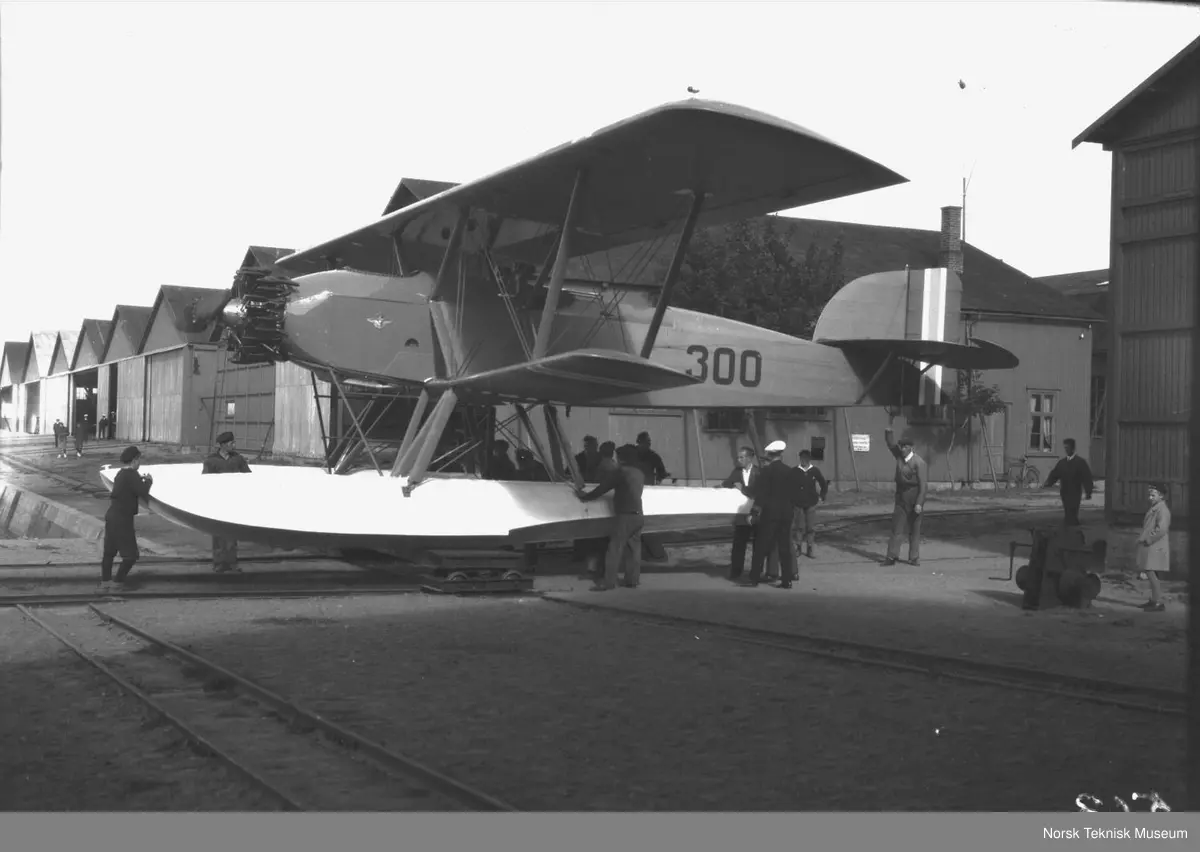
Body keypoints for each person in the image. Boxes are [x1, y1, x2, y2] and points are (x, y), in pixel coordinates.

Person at [576, 444, 645, 591]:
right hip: (639, 515)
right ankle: (632, 580)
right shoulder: (639, 473)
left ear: (621, 458)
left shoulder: (621, 472)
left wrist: (585, 496)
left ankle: (608, 582)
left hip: (625, 515)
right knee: (634, 549)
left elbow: (603, 488)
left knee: (614, 549)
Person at [742, 440, 800, 589]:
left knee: (761, 545)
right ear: (780, 454)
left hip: (770, 514)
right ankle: (786, 580)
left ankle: (754, 578)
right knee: (784, 547)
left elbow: (760, 495)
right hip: (786, 514)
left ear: (769, 455)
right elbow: (794, 494)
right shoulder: (790, 471)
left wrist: (754, 513)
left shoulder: (766, 472)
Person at [100, 445, 153, 592]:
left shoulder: (120, 474)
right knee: (131, 555)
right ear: (135, 460)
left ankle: (105, 582)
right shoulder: (131, 475)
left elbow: (130, 488)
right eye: (139, 460)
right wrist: (148, 481)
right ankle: (118, 582)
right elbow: (143, 492)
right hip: (123, 519)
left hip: (112, 516)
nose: (139, 463)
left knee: (109, 553)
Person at [202, 431, 252, 573]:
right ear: (223, 445)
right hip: (217, 503)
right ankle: (219, 563)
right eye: (231, 443)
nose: (234, 445)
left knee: (232, 533)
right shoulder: (211, 461)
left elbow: (248, 476)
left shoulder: (238, 459)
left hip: (233, 502)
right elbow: (205, 481)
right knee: (217, 533)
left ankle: (231, 562)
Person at [881, 428, 928, 566]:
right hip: (901, 497)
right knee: (897, 528)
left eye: (905, 446)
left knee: (914, 530)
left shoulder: (919, 463)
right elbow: (890, 444)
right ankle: (891, 557)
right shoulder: (899, 456)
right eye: (901, 446)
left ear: (911, 448)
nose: (902, 449)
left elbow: (923, 485)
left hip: (914, 496)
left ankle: (914, 558)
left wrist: (919, 503)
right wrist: (889, 429)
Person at [718, 446, 759, 581]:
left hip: (756, 514)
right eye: (738, 457)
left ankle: (755, 573)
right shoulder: (736, 471)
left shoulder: (759, 473)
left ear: (749, 458)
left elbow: (757, 492)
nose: (739, 459)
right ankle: (736, 571)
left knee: (758, 545)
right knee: (738, 544)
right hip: (741, 514)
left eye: (742, 457)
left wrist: (743, 489)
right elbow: (727, 483)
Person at [1136, 482, 1171, 613]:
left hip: (1155, 546)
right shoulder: (1156, 508)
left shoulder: (1162, 510)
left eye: (1153, 495)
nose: (1150, 498)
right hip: (1152, 546)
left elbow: (1161, 529)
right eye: (1149, 495)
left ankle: (1158, 602)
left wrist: (1149, 539)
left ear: (1161, 496)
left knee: (1151, 574)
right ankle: (1154, 600)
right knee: (1151, 573)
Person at [1043, 438, 1094, 527]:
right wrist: (1048, 483)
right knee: (1067, 510)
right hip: (1065, 491)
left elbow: (1087, 477)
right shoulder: (1062, 463)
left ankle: (1072, 527)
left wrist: (1088, 491)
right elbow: (1055, 473)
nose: (1066, 450)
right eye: (1065, 448)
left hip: (1075, 491)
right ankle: (1069, 526)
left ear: (1073, 448)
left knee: (1073, 510)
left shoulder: (1080, 462)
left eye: (1068, 448)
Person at [792, 449, 829, 559]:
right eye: (801, 459)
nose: (803, 461)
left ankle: (809, 548)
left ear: (809, 460)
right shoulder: (795, 471)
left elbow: (823, 483)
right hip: (798, 503)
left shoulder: (814, 471)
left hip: (811, 503)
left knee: (810, 527)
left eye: (805, 459)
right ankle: (798, 547)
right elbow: (789, 485)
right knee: (799, 527)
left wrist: (822, 495)